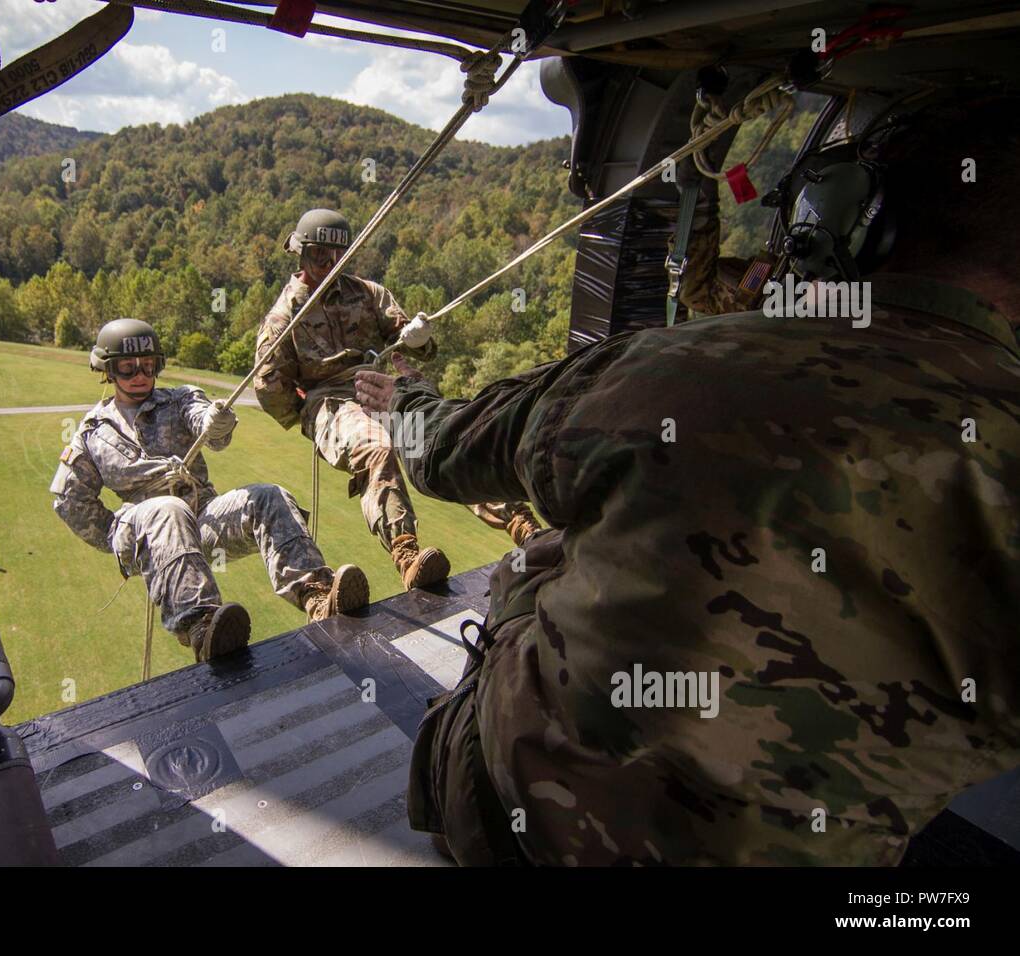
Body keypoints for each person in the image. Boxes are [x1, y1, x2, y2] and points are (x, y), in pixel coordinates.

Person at [353, 94, 1020, 865]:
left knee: (544, 556)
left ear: (849, 222)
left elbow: (441, 456)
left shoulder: (663, 365)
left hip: (516, 831)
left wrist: (406, 398)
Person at [253, 208, 541, 591]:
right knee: (377, 448)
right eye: (320, 254)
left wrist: (418, 339)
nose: (330, 263)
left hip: (378, 384)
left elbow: (412, 343)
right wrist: (307, 413)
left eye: (338, 255)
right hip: (330, 402)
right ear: (301, 253)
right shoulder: (284, 316)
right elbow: (269, 385)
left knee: (440, 438)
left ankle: (523, 526)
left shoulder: (368, 294)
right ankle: (406, 554)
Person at [52, 318, 369, 662]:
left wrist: (216, 422)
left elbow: (209, 427)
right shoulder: (93, 434)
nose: (140, 375)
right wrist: (117, 538)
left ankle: (316, 595)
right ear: (108, 371)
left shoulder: (179, 400)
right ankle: (204, 630)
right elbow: (69, 498)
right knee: (167, 509)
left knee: (267, 496)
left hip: (201, 518)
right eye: (128, 368)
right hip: (146, 528)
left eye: (147, 365)